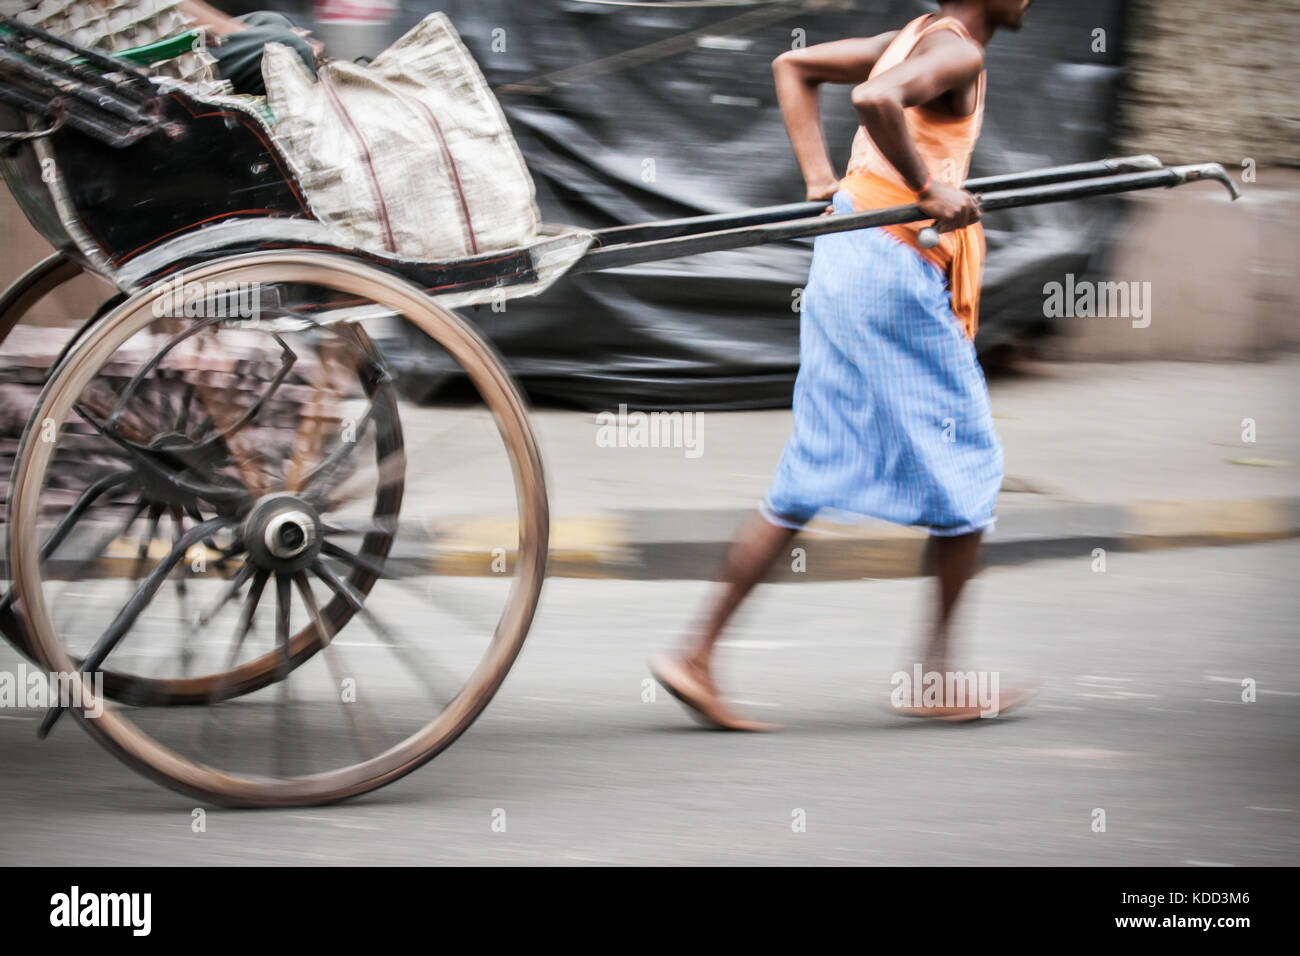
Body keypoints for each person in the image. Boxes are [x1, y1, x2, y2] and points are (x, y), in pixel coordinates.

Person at [650, 0, 1034, 729]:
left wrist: (820, 180)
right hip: (893, 267)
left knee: (818, 461)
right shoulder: (959, 54)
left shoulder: (910, 37)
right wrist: (929, 190)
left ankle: (696, 655)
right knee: (967, 456)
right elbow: (872, 98)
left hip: (849, 255)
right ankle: (935, 678)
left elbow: (792, 66)